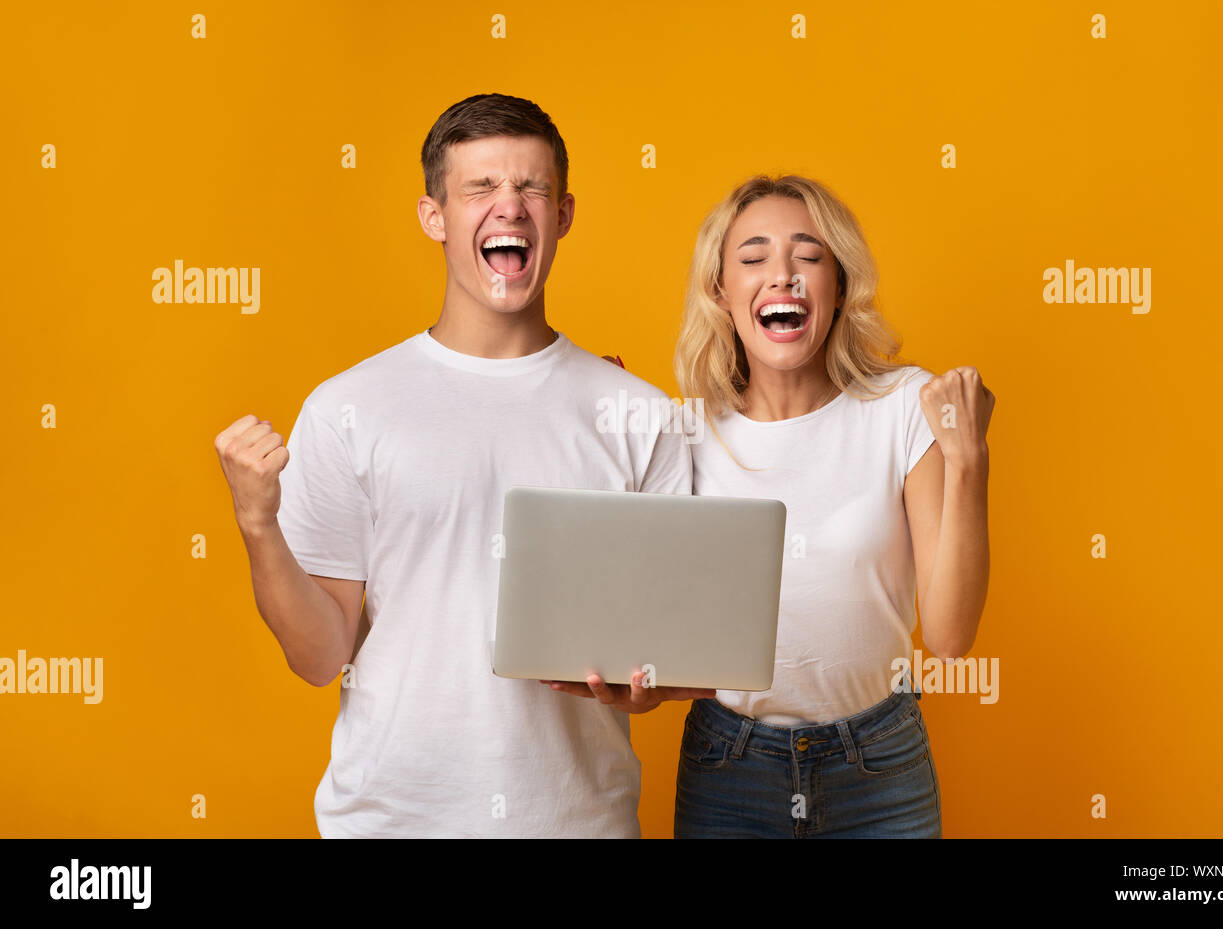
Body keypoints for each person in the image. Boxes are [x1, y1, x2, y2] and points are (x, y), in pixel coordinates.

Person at [213, 93, 711, 838]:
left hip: (579, 823)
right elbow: (320, 656)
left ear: (564, 213)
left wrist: (650, 688)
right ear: (434, 216)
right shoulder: (350, 407)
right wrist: (258, 523)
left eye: (531, 188)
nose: (508, 207)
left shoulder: (639, 413)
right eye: (480, 187)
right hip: (389, 822)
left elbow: (680, 652)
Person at [671, 174, 994, 837]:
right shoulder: (684, 433)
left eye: (809, 257)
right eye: (753, 258)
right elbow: (654, 634)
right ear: (720, 291)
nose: (783, 276)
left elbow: (951, 637)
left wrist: (969, 462)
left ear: (839, 286)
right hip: (730, 767)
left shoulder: (905, 406)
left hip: (879, 766)